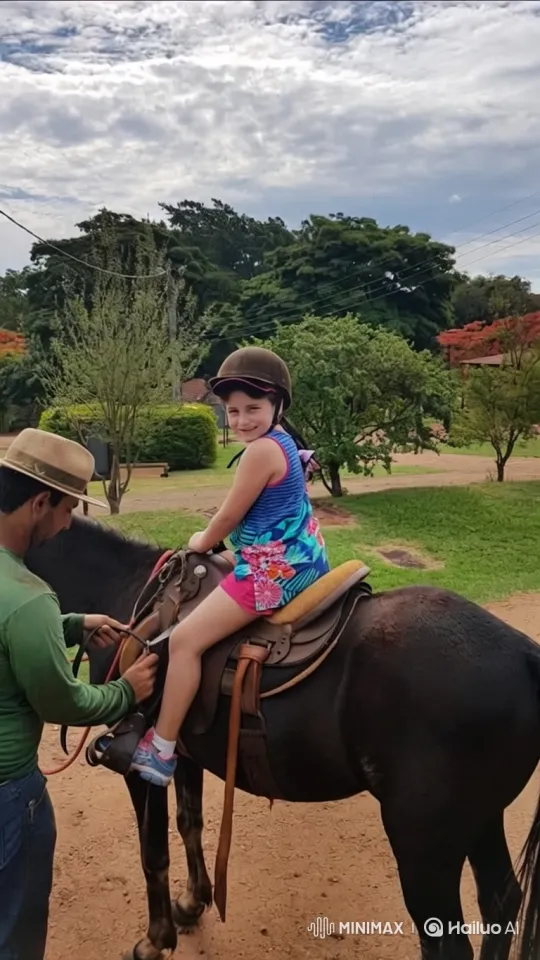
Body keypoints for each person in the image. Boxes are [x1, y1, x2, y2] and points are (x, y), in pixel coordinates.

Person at [129, 346, 330, 787]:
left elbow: (226, 518)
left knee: (183, 642)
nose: (241, 420)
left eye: (252, 409)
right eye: (232, 411)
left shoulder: (259, 453)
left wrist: (202, 541)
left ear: (277, 405)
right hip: (303, 554)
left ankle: (161, 750)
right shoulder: (283, 442)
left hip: (272, 570)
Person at [0, 427, 158, 960]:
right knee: (15, 929)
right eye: (70, 510)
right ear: (40, 502)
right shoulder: (26, 598)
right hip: (8, 796)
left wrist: (69, 624)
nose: (71, 524)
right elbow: (62, 703)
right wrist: (124, 690)